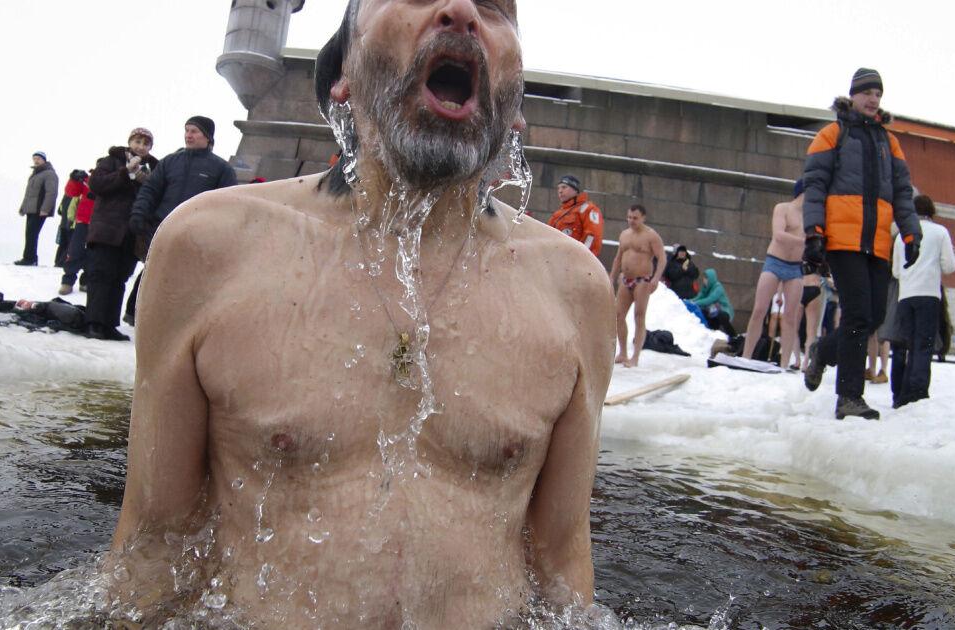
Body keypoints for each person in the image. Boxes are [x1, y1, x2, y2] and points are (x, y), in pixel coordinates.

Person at [105, 1, 616, 626]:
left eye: (492, 5)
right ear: (343, 71)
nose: (458, 11)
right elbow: (156, 539)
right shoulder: (211, 248)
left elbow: (561, 562)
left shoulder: (573, 289)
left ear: (514, 99)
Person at [800, 67, 922, 420]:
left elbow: (902, 192)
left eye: (878, 94)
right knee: (856, 315)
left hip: (878, 242)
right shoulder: (832, 134)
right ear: (853, 95)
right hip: (843, 239)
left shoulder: (890, 142)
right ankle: (849, 397)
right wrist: (814, 233)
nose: (873, 99)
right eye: (867, 92)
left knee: (873, 318)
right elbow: (815, 186)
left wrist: (911, 233)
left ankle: (822, 351)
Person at [124, 115, 237, 325]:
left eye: (194, 131)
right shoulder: (169, 162)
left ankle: (173, 321)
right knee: (152, 272)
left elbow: (228, 204)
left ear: (207, 136)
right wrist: (138, 213)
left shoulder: (221, 169)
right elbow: (150, 190)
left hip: (196, 234)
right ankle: (134, 313)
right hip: (162, 228)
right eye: (187, 130)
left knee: (185, 278)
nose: (188, 135)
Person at [83, 129, 159, 341]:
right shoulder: (111, 161)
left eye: (145, 143)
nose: (141, 146)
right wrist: (126, 173)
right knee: (100, 276)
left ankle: (109, 324)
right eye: (137, 141)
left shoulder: (154, 168)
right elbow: (97, 185)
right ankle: (94, 322)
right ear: (129, 142)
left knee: (119, 279)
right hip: (107, 230)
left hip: (131, 234)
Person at [890, 195, 955, 407]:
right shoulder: (940, 232)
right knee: (923, 345)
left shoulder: (902, 234)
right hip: (928, 294)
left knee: (906, 345)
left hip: (906, 295)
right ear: (932, 211)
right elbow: (949, 266)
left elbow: (896, 271)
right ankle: (917, 391)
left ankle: (900, 393)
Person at [741, 181, 806, 364]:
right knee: (760, 309)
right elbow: (778, 235)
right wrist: (805, 242)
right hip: (775, 261)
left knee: (790, 317)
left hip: (795, 267)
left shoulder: (812, 217)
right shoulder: (783, 208)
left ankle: (784, 362)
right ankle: (746, 356)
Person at [610, 204, 666, 367]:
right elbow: (618, 258)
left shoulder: (651, 236)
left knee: (639, 316)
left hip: (642, 280)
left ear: (643, 218)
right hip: (626, 279)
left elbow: (662, 258)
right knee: (618, 315)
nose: (631, 221)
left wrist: (656, 279)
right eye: (629, 217)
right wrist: (611, 276)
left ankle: (635, 356)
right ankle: (623, 352)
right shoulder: (624, 234)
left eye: (635, 218)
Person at [14, 151, 59, 266]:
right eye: (34, 158)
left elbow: (51, 192)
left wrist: (45, 209)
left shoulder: (49, 173)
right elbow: (29, 193)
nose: (36, 160)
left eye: (38, 158)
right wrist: (23, 207)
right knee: (29, 233)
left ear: (44, 159)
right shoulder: (35, 173)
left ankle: (29, 258)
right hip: (31, 208)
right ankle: (31, 257)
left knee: (32, 233)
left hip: (39, 209)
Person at [59, 169, 96, 295]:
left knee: (95, 254)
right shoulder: (87, 181)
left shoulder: (114, 181)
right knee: (75, 251)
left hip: (102, 224)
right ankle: (67, 281)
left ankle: (86, 281)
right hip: (83, 222)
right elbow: (71, 192)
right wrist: (74, 179)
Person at [548, 174, 604, 257]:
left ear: (575, 190)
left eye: (564, 187)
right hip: (557, 258)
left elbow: (592, 236)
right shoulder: (558, 214)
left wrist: (583, 257)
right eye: (558, 188)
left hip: (576, 260)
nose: (560, 191)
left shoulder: (588, 209)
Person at [691, 268, 737, 338]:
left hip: (723, 310)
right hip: (712, 310)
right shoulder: (706, 288)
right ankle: (712, 335)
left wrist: (695, 303)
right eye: (704, 278)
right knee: (705, 313)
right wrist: (689, 301)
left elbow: (710, 300)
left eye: (706, 278)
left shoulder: (718, 287)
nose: (704, 280)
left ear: (711, 279)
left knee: (720, 316)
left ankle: (733, 336)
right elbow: (699, 297)